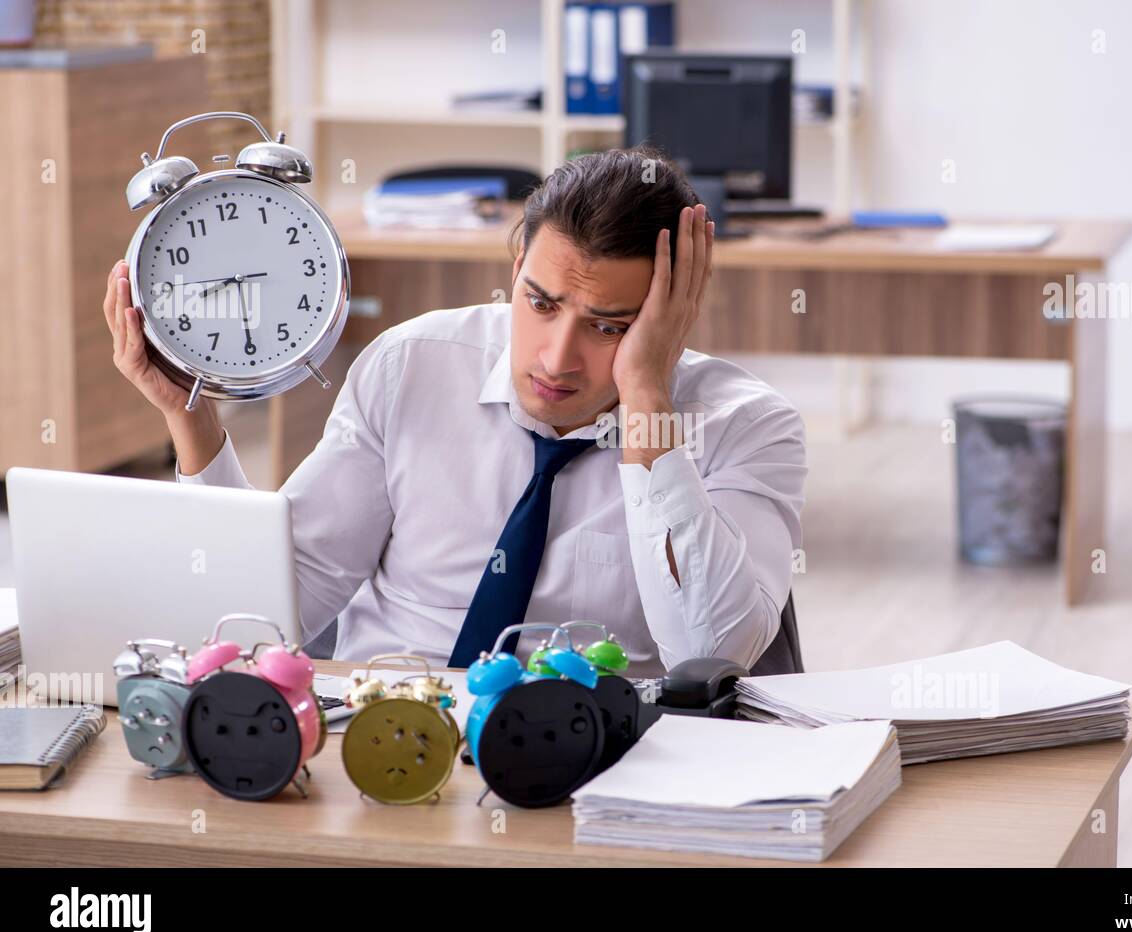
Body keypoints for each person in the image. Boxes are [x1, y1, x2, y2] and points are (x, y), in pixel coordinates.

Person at [102, 146, 806, 676]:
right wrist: (190, 419)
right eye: (542, 302)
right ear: (515, 268)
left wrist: (648, 396)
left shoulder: (748, 427)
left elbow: (711, 654)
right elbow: (263, 618)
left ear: (671, 314)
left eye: (609, 325)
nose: (558, 357)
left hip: (587, 765)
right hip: (381, 743)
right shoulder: (411, 365)